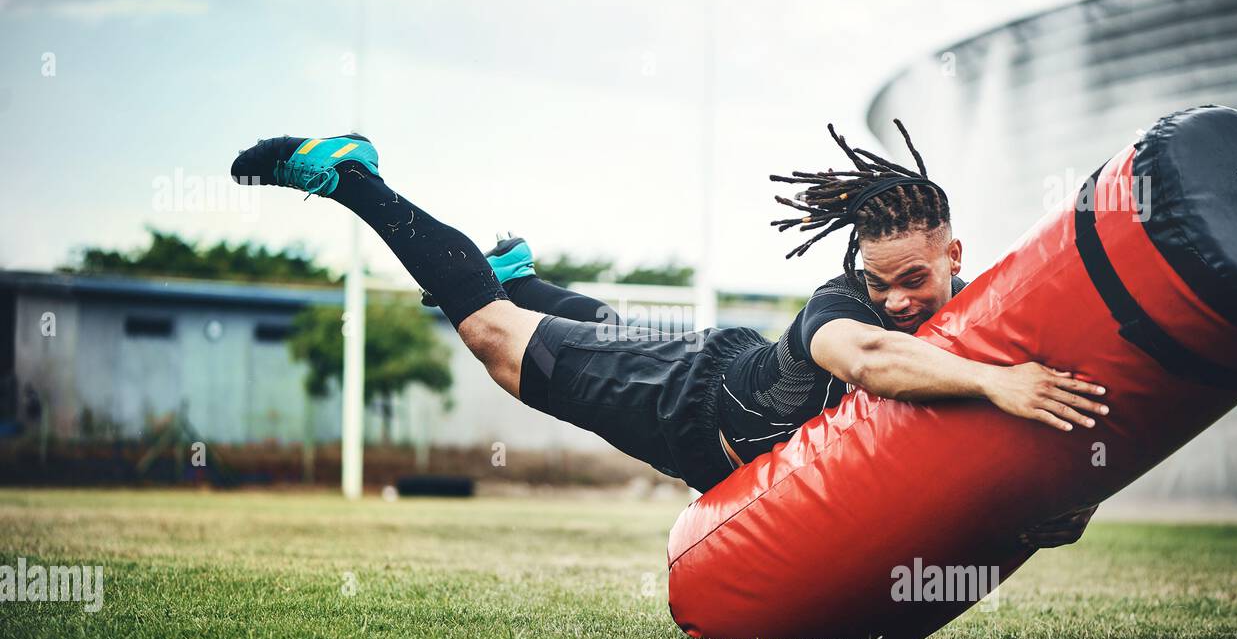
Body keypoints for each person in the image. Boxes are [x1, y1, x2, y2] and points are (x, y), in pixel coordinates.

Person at [232, 122, 1108, 547]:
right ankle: (354, 178)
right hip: (692, 407)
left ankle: (522, 278)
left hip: (721, 369)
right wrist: (998, 384)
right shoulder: (845, 306)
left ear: (955, 253)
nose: (900, 301)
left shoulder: (976, 304)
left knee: (579, 326)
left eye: (915, 280)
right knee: (498, 340)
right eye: (882, 282)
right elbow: (867, 360)